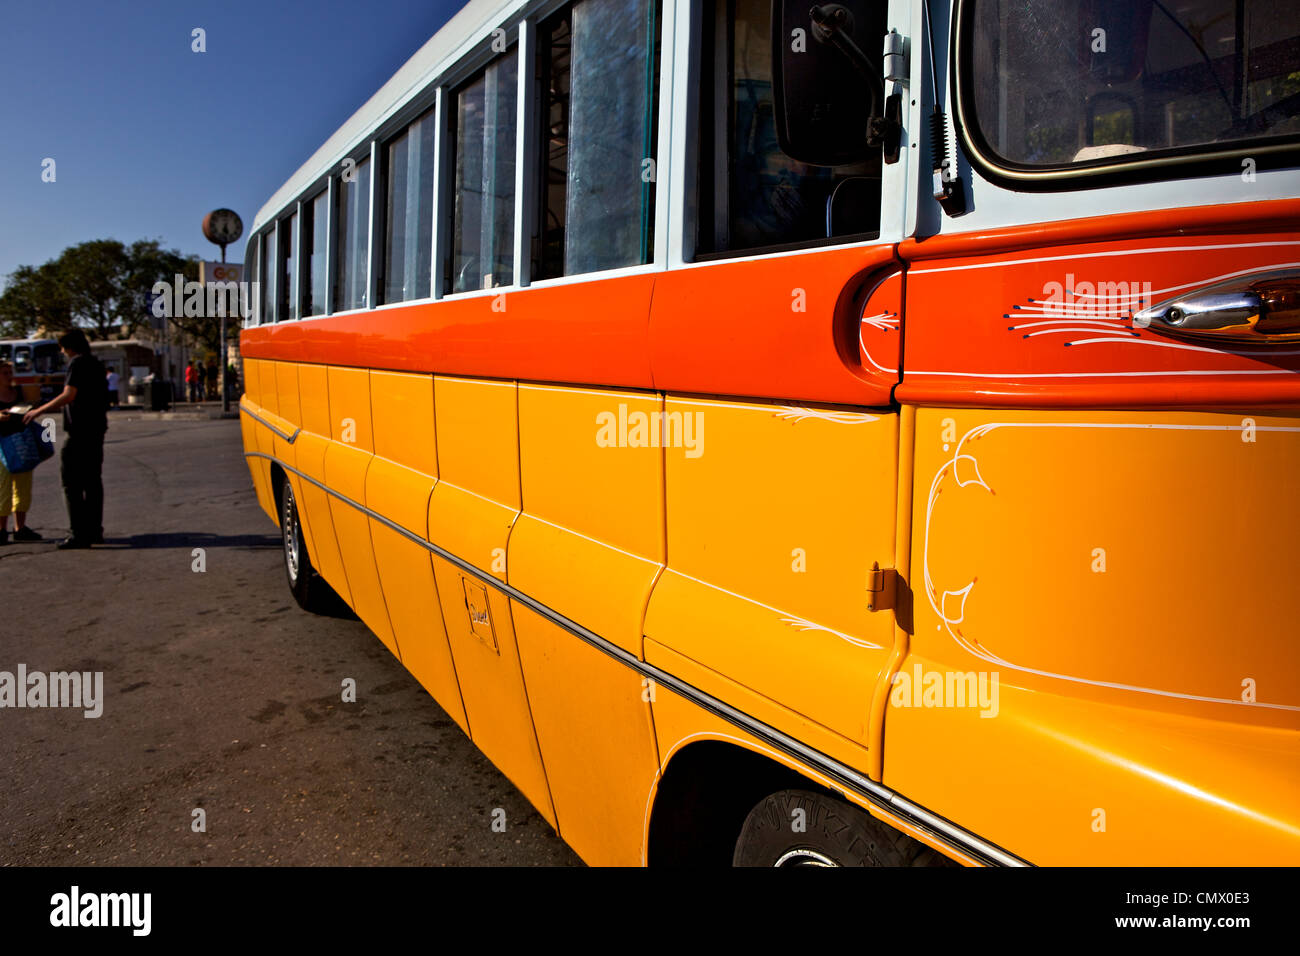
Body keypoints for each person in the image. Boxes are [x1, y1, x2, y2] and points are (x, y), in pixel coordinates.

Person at [24, 329, 108, 549]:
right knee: (92, 481)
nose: (62, 352)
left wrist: (39, 410)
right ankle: (94, 530)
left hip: (79, 429)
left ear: (69, 347)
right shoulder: (96, 364)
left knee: (71, 483)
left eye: (62, 348)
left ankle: (78, 533)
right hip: (96, 428)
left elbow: (69, 394)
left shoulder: (76, 364)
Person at [0, 361, 42, 544]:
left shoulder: (20, 391)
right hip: (1, 446)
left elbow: (33, 407)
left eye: (10, 372)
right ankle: (1, 529)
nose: (9, 376)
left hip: (22, 443)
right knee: (3, 488)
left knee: (23, 488)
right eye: (4, 373)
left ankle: (20, 528)